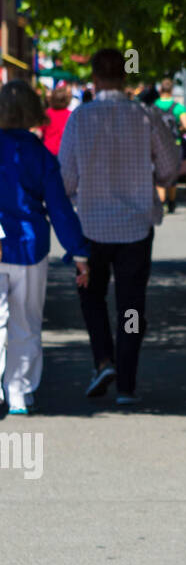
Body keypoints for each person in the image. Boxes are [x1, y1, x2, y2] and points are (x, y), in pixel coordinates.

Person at [60, 48, 178, 407]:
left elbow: (66, 179)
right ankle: (126, 381)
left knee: (92, 297)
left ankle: (103, 359)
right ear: (125, 78)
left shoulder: (79, 119)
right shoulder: (148, 116)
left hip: (92, 224)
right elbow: (172, 168)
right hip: (135, 226)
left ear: (94, 79)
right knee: (130, 305)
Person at [0, 80, 89, 416]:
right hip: (27, 245)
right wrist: (79, 252)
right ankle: (19, 391)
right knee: (26, 321)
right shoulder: (40, 155)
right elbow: (60, 209)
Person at [152, 77, 186, 214]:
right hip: (174, 145)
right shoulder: (178, 107)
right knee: (173, 175)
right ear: (172, 90)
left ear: (160, 89)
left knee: (159, 176)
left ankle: (161, 203)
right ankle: (172, 203)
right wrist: (179, 130)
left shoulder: (153, 107)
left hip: (157, 146)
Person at [42, 82, 73, 155]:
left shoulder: (47, 113)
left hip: (48, 150)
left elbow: (40, 131)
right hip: (64, 151)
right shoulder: (70, 115)